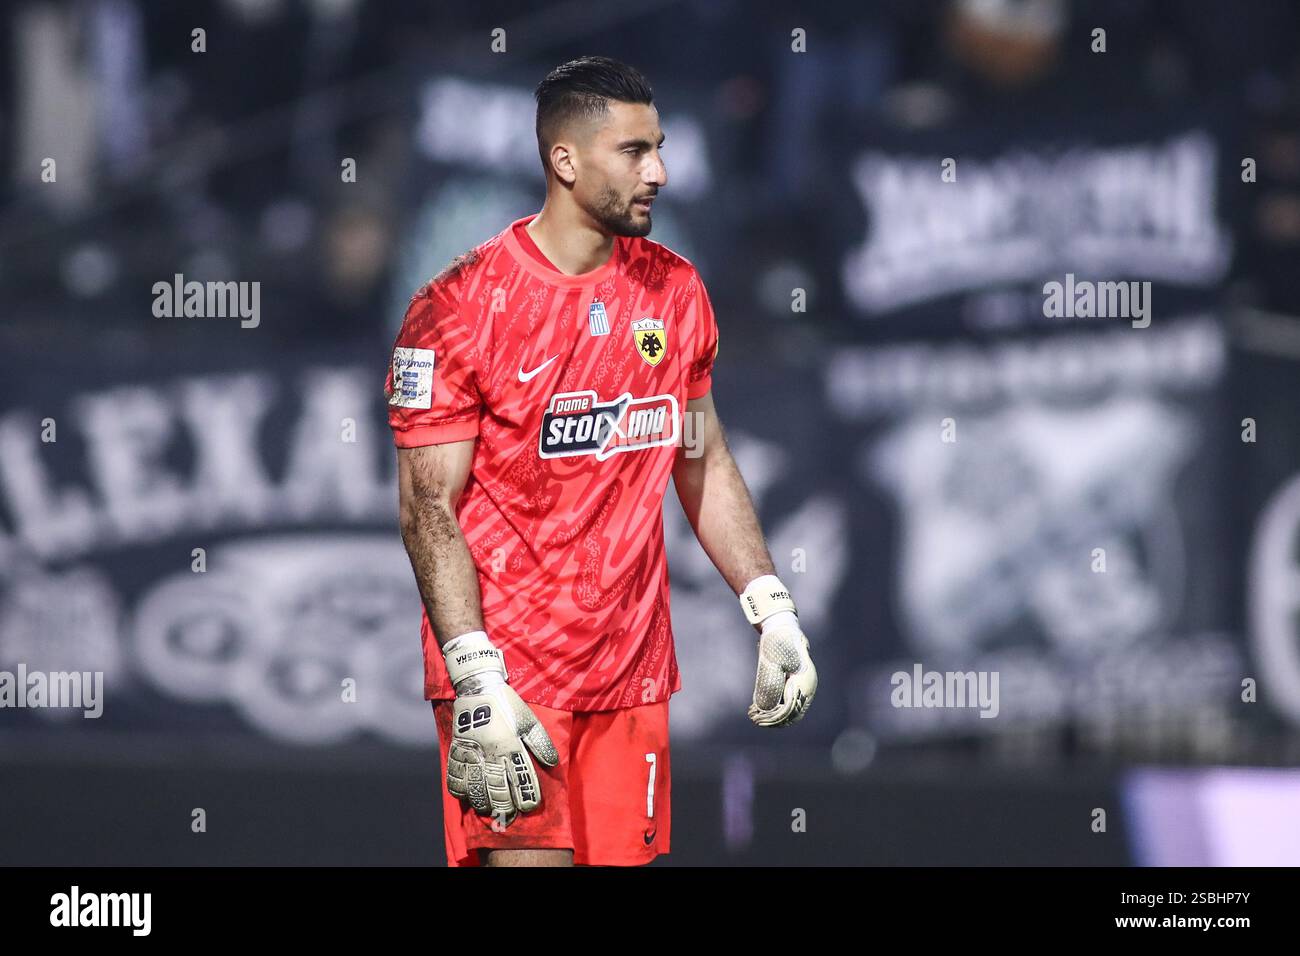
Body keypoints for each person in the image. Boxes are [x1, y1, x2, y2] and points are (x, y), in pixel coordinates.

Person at [386, 55, 816, 867]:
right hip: (512, 677)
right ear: (565, 160)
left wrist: (771, 606)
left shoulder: (675, 291)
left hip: (630, 674)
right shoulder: (456, 308)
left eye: (658, 148)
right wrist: (474, 677)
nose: (658, 171)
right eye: (634, 152)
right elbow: (426, 506)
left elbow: (703, 459)